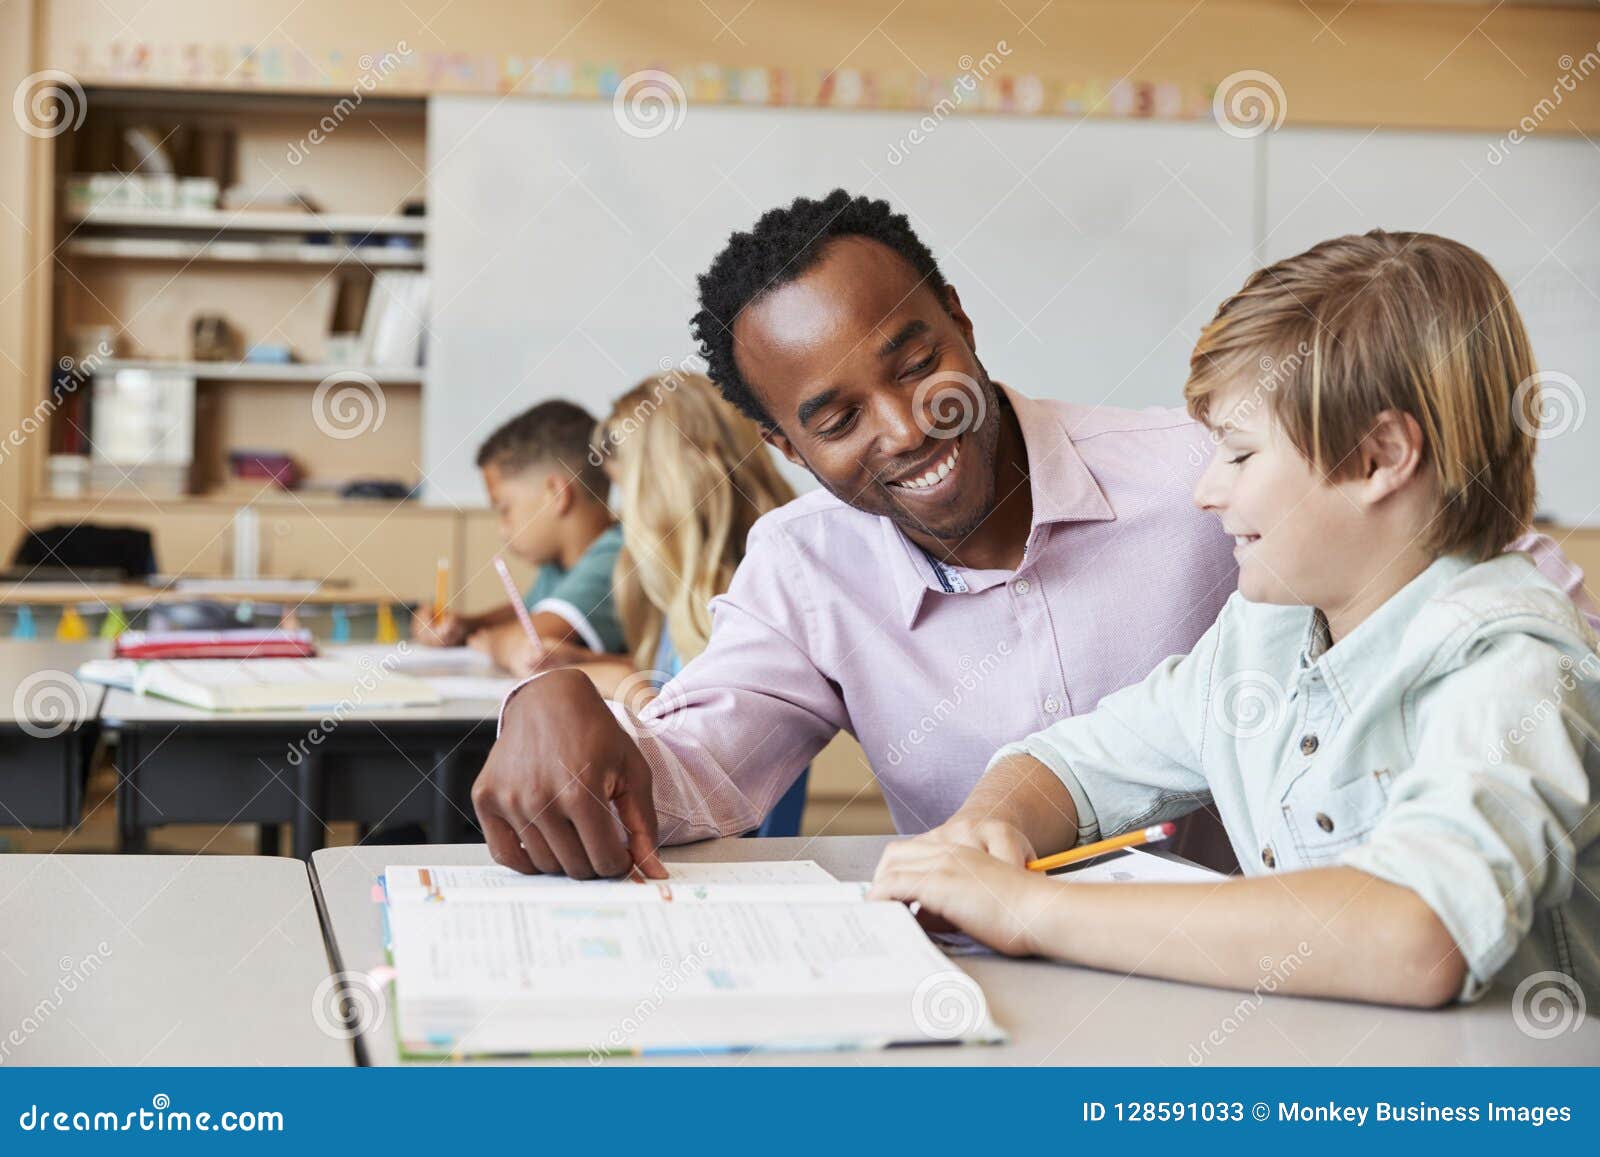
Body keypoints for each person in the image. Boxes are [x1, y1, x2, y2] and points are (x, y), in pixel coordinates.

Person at [471, 190, 1595, 882]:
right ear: (781, 448)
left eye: (917, 360)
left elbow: (1487, 575)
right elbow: (699, 770)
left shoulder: (1207, 475)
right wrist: (558, 706)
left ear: (959, 315)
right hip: (999, 992)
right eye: (836, 418)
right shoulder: (806, 564)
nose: (910, 425)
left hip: (1274, 997)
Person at [870, 231, 1600, 1008]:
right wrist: (987, 824)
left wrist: (1028, 911)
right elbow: (1078, 762)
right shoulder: (1267, 632)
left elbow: (1417, 936)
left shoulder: (1512, 666)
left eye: (1242, 455)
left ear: (1382, 456)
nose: (1205, 491)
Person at [415, 400, 626, 675]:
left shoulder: (613, 557)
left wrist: (492, 644)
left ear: (556, 494)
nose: (502, 529)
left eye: (505, 510)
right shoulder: (561, 566)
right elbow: (526, 616)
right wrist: (462, 626)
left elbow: (529, 642)